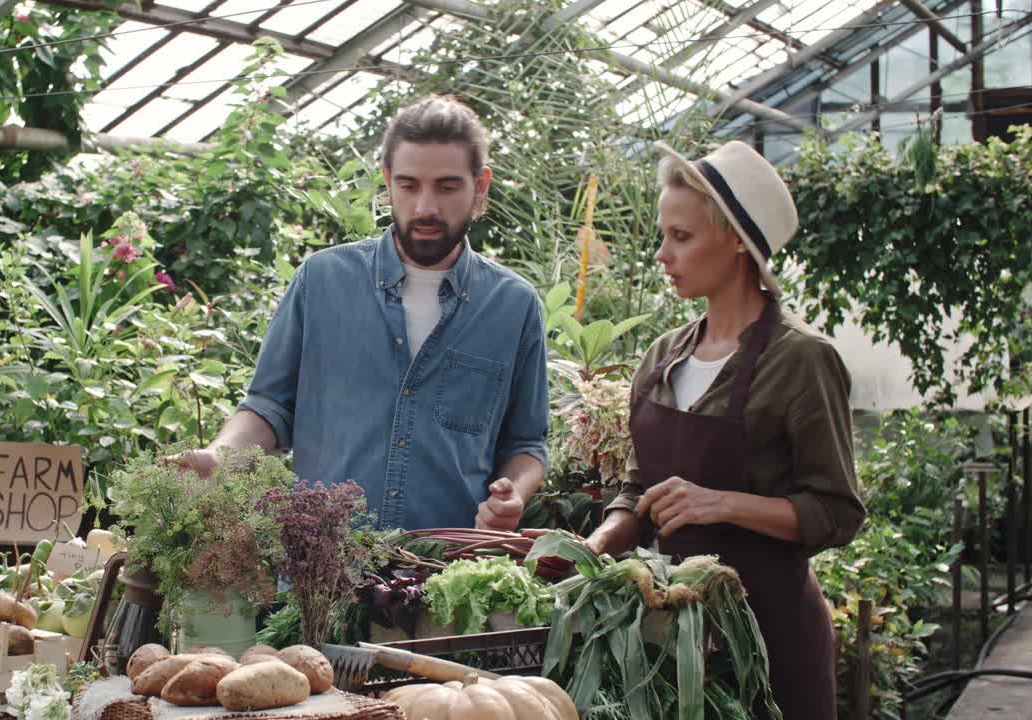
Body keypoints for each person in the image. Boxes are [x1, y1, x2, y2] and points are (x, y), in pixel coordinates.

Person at [169, 94, 549, 532]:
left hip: (447, 564)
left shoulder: (513, 305)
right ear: (387, 180)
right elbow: (271, 405)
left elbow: (526, 442)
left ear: (480, 185)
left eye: (446, 187)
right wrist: (223, 457)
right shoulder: (322, 280)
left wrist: (514, 493)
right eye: (409, 186)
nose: (425, 207)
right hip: (321, 561)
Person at [582, 140, 865, 720]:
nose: (662, 254)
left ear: (738, 240)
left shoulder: (800, 360)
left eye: (681, 237)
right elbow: (638, 492)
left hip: (769, 639)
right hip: (665, 643)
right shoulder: (663, 357)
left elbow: (838, 511)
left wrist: (722, 504)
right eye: (664, 235)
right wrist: (595, 545)